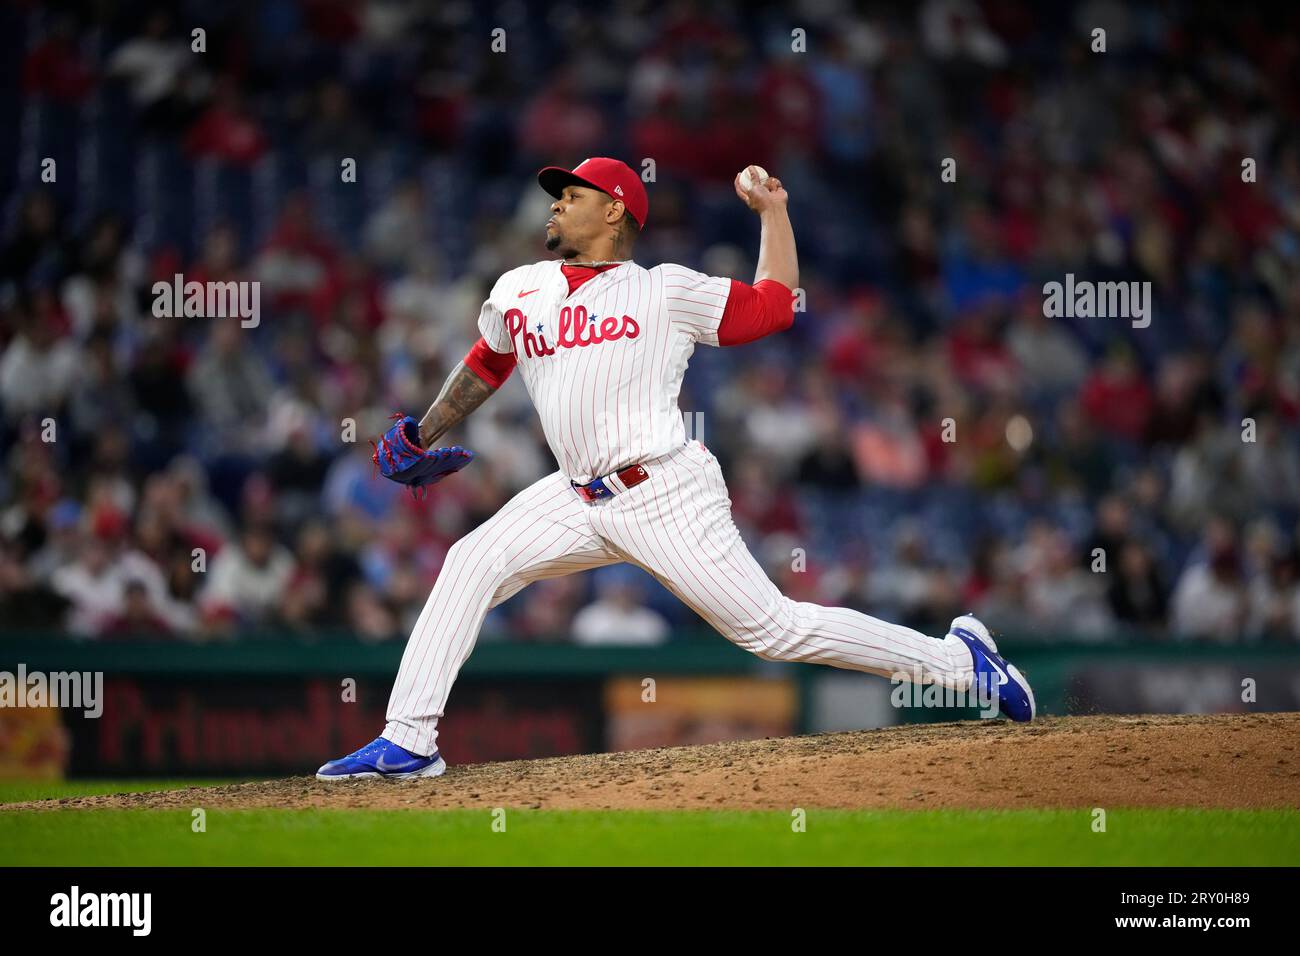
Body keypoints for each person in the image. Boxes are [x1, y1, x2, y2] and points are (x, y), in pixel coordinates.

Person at [318, 158, 1035, 780]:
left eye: (572, 195)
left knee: (773, 631)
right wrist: (423, 430)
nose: (556, 204)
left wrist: (774, 212)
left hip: (662, 490)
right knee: (469, 562)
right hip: (572, 495)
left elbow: (775, 307)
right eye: (556, 195)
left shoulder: (664, 289)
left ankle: (960, 662)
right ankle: (408, 740)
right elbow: (489, 360)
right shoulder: (520, 287)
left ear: (614, 210)